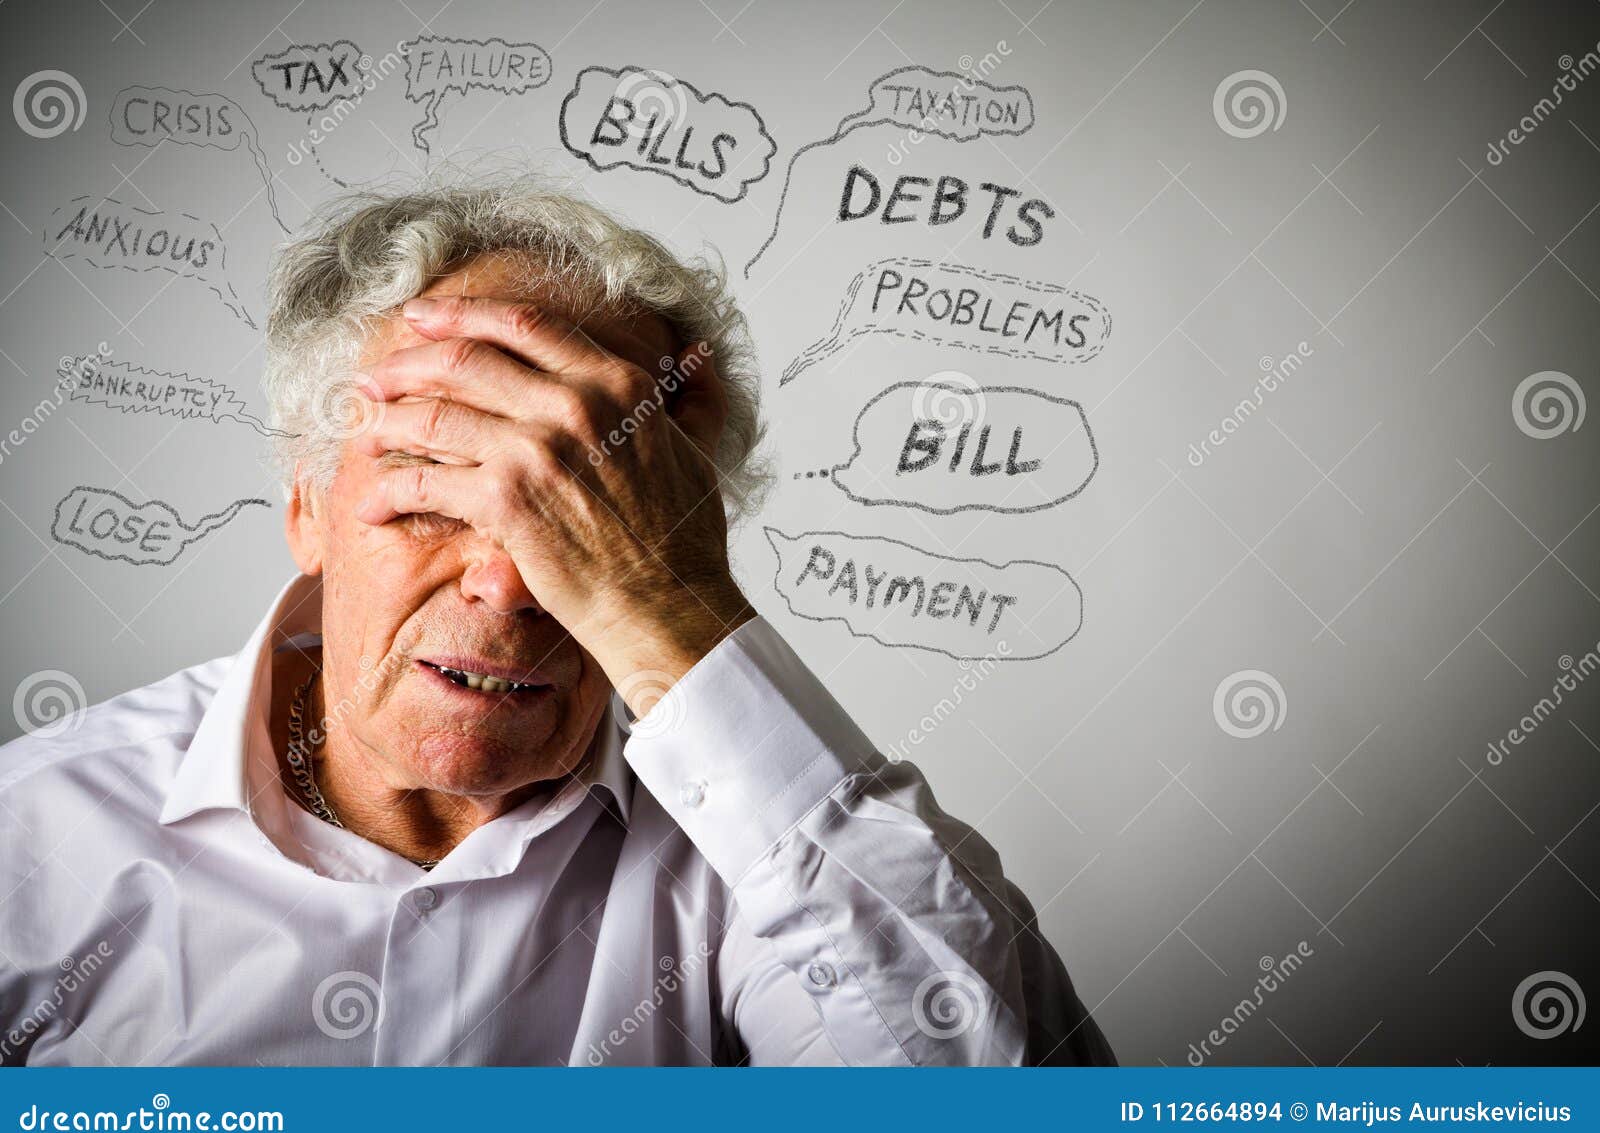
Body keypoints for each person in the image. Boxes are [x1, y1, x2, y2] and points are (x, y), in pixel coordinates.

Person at [0, 181, 1113, 1066]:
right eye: (433, 488)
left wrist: (679, 620)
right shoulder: (33, 844)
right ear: (307, 503)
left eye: (587, 509)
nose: (509, 583)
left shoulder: (753, 876)